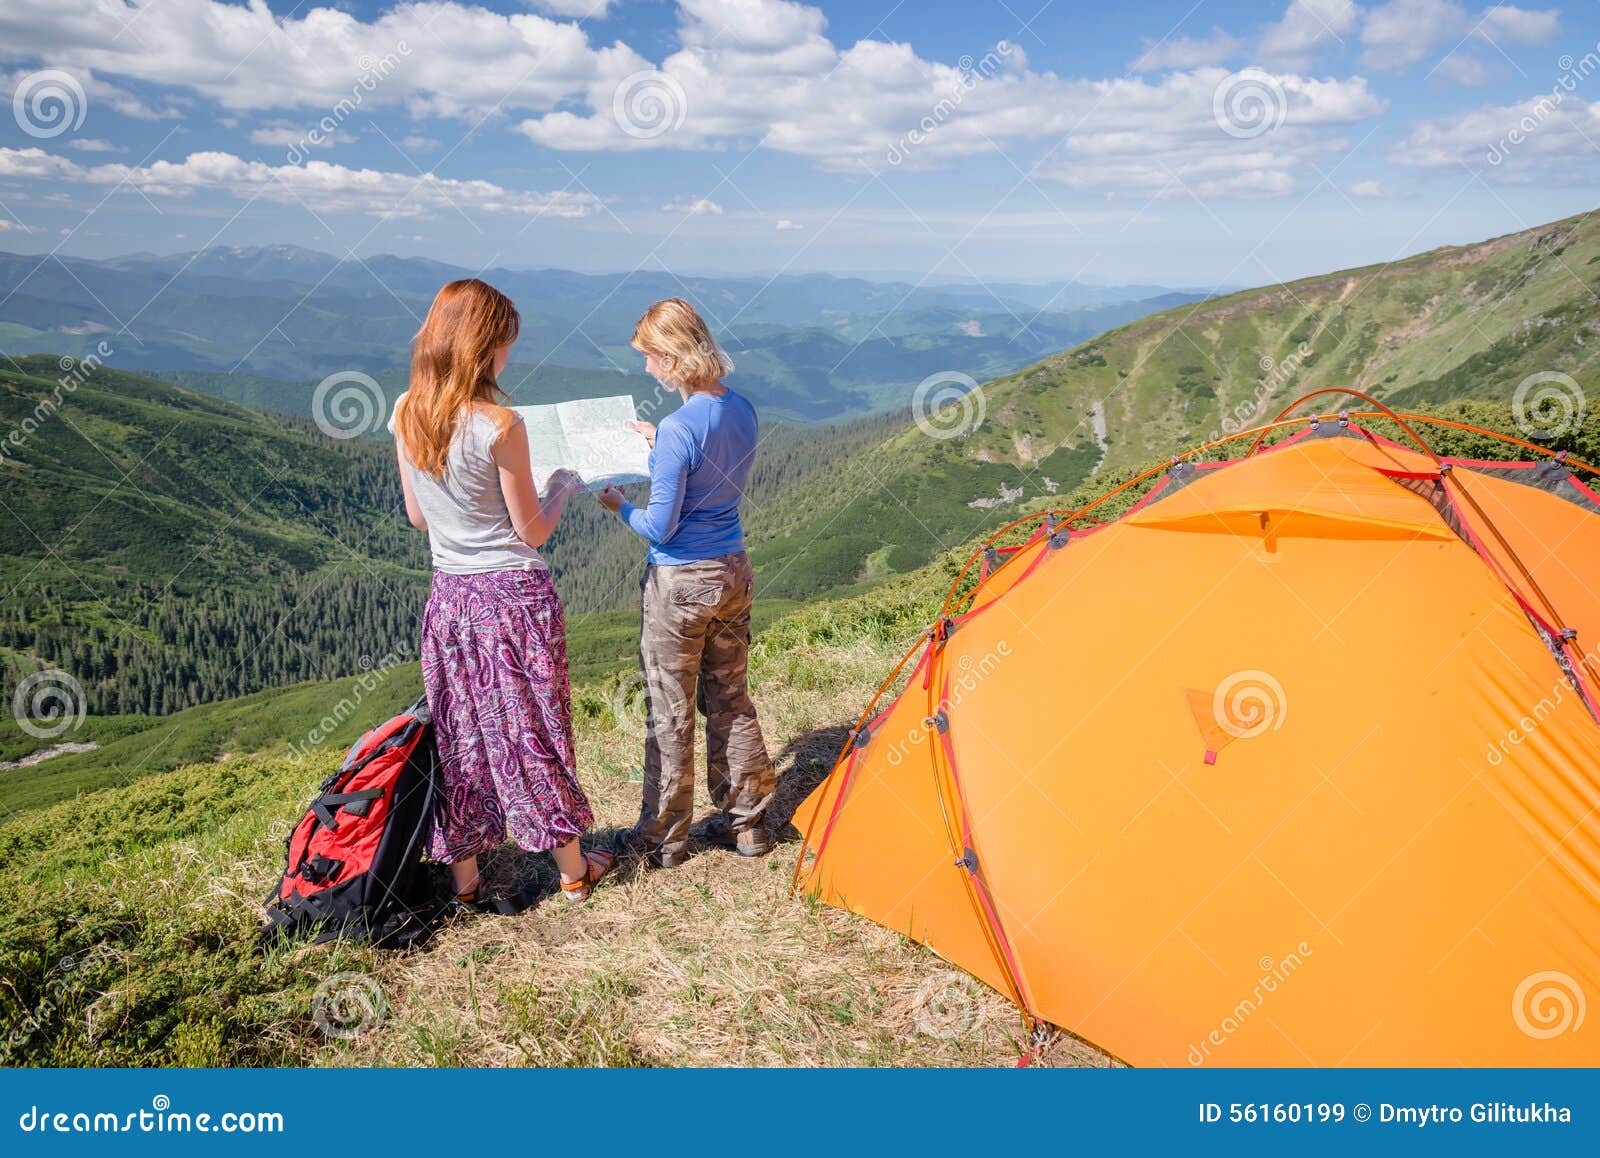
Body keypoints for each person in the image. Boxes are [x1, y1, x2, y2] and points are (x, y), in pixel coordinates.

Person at [392, 278, 614, 906]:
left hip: (451, 598)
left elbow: (418, 517)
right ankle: (572, 869)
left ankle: (465, 879)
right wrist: (563, 487)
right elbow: (532, 531)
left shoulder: (407, 409)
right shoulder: (501, 423)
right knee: (532, 729)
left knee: (458, 732)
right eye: (505, 343)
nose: (509, 355)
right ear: (484, 344)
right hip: (512, 597)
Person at [597, 298, 776, 868]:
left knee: (671, 709)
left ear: (672, 355)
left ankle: (664, 837)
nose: (648, 369)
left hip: (680, 582)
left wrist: (620, 506)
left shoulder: (678, 429)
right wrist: (662, 448)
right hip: (733, 569)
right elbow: (711, 478)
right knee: (730, 698)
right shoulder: (741, 408)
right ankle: (748, 823)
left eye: (651, 357)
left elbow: (660, 525)